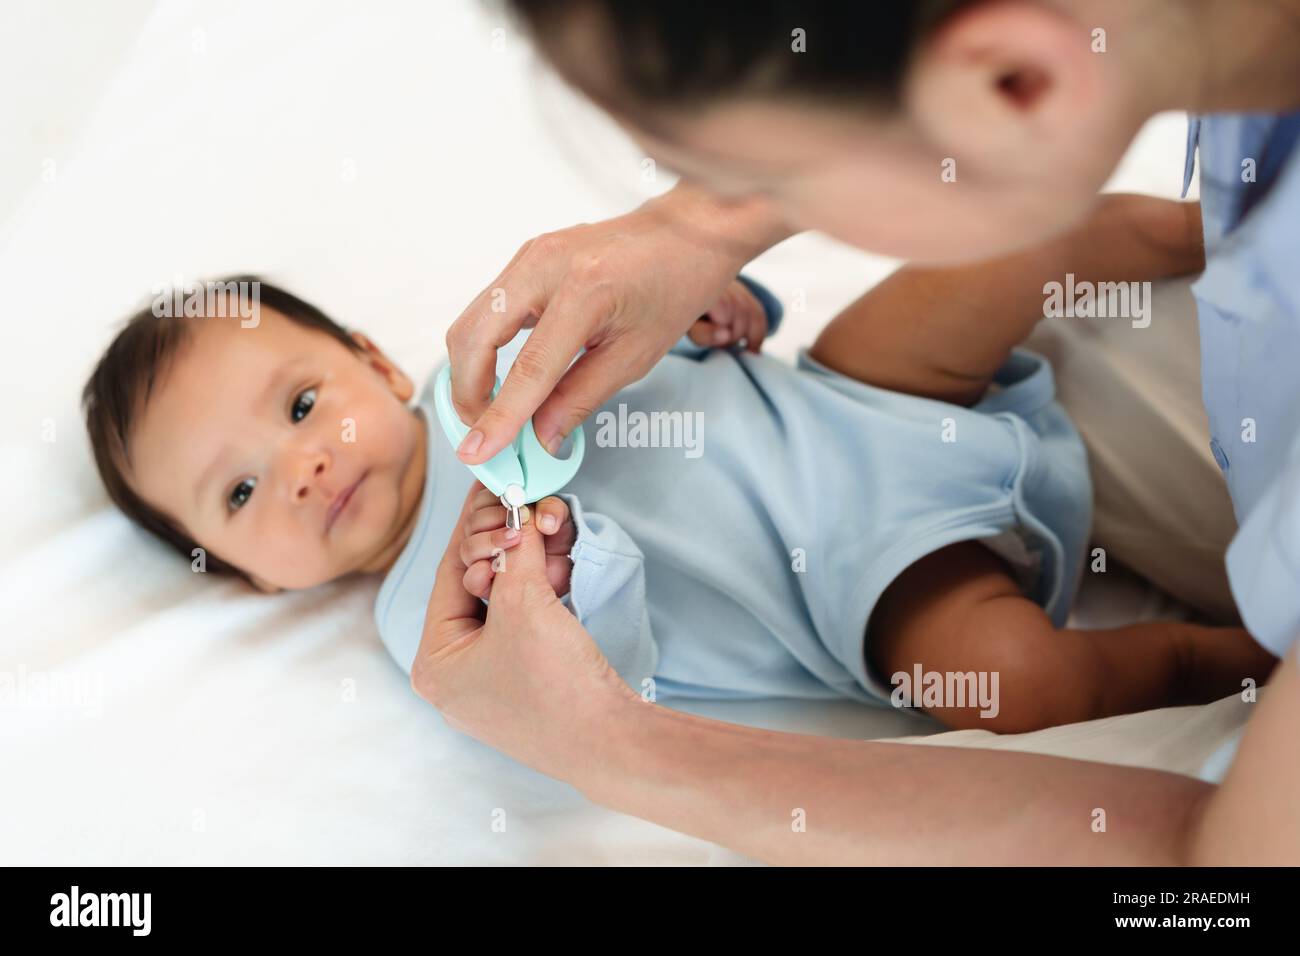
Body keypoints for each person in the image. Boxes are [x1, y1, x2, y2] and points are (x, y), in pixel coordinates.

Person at [411, 0, 1300, 862]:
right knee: (1022, 685)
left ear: (1018, 81)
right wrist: (693, 230)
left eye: (762, 174)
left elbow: (1224, 877)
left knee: (1026, 254)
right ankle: (1222, 657)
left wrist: (605, 743)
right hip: (863, 588)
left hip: (855, 403)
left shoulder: (453, 394)